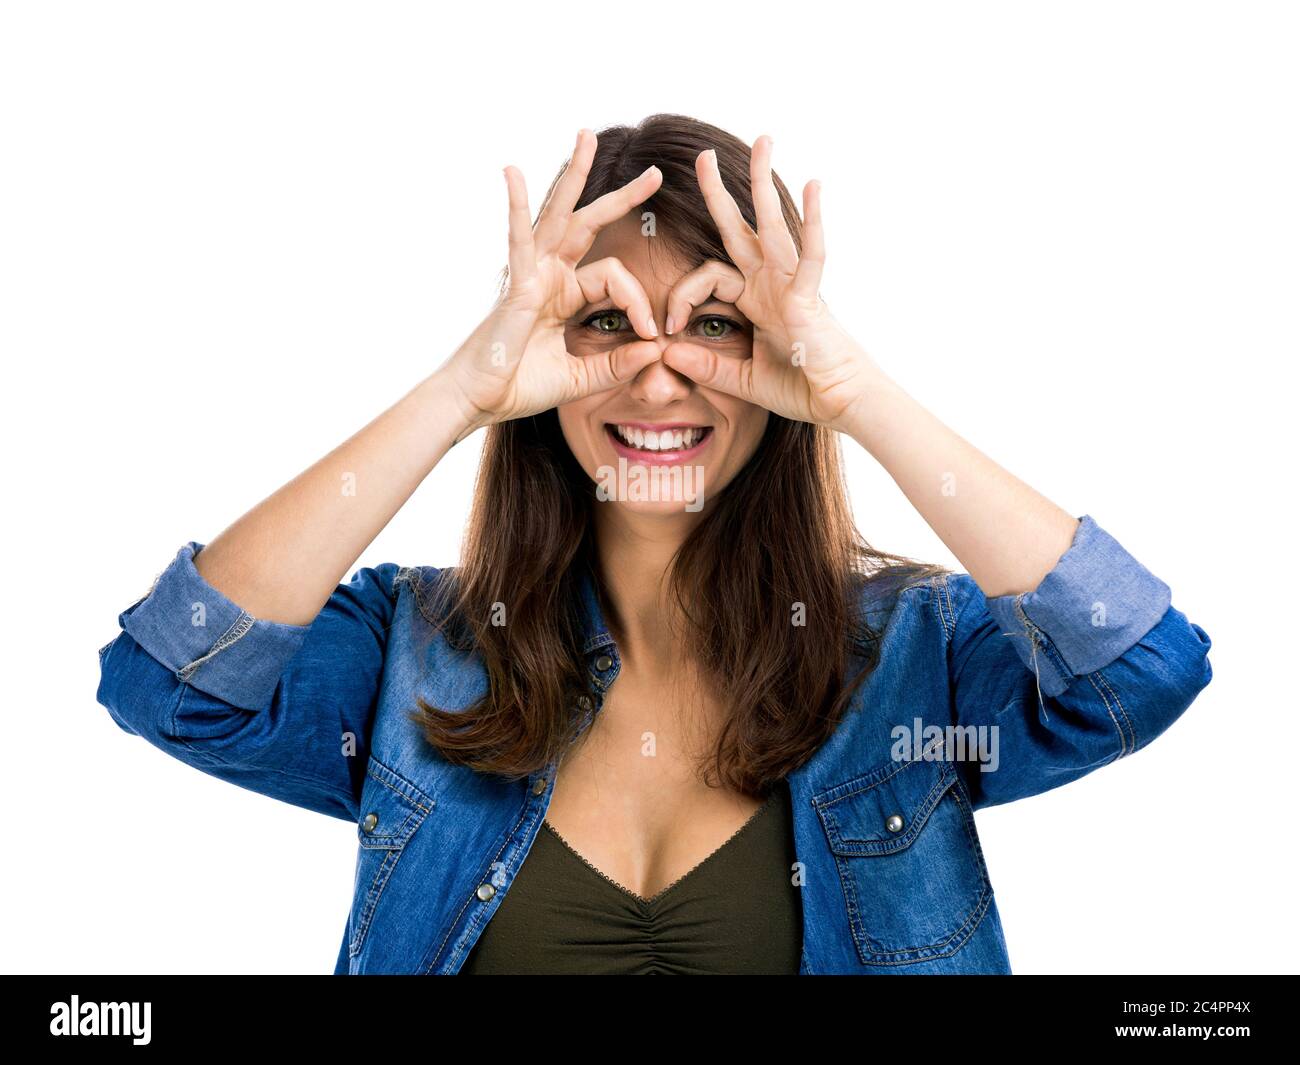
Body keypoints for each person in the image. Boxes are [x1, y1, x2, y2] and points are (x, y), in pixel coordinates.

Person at [96, 113, 1214, 974]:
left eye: (716, 326)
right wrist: (460, 390)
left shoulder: (915, 654)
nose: (659, 373)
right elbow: (171, 683)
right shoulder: (414, 652)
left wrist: (856, 393)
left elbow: (1138, 670)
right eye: (605, 323)